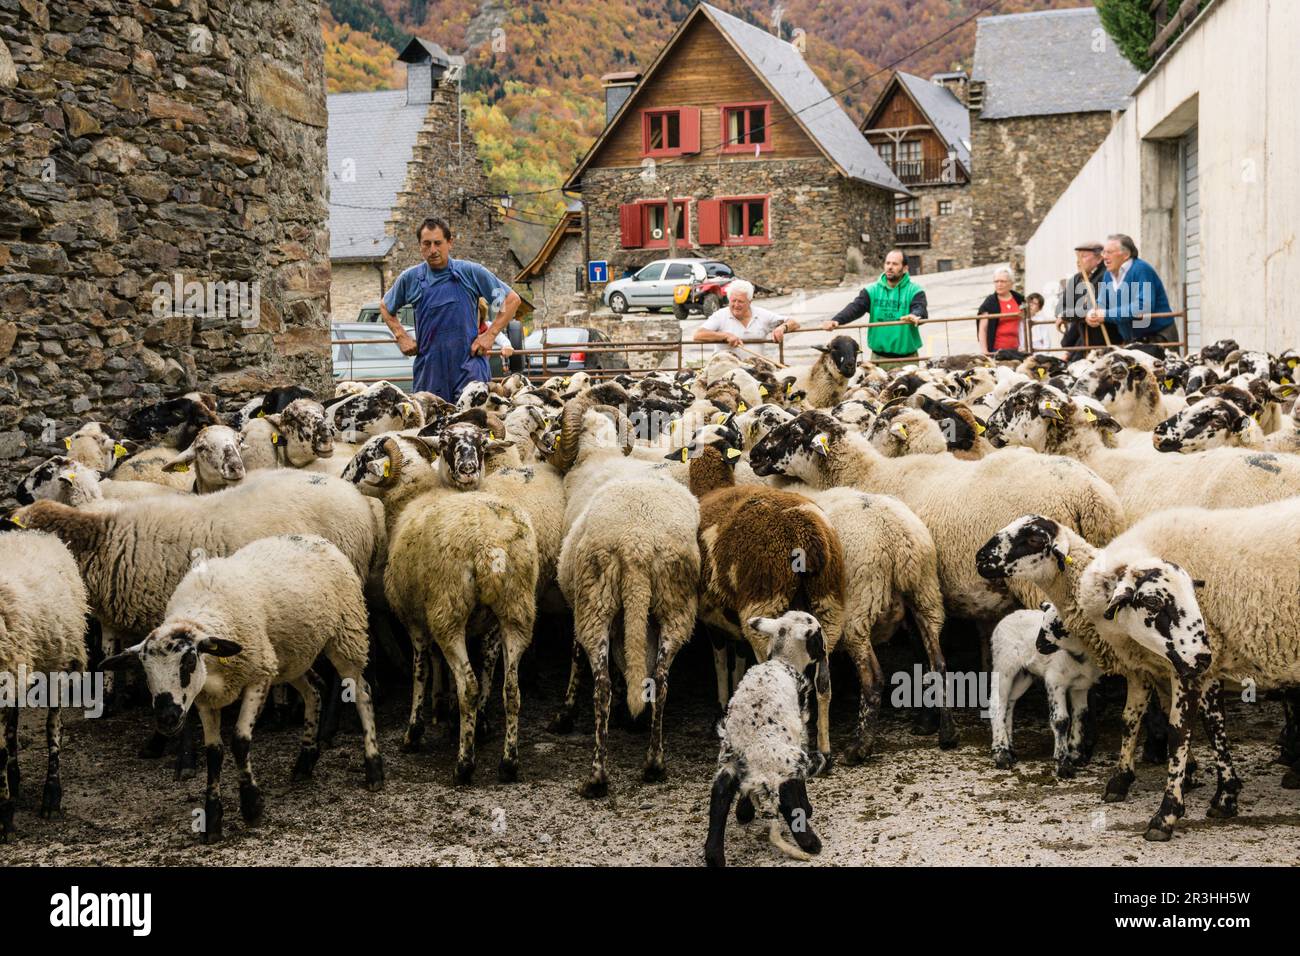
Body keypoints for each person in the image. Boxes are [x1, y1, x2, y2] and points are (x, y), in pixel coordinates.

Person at [380, 216, 522, 402]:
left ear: (450, 243)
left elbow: (511, 301)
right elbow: (385, 306)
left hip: (469, 369)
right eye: (427, 244)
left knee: (473, 426)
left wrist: (490, 335)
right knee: (430, 427)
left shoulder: (471, 273)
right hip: (429, 372)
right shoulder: (411, 279)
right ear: (419, 246)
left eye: (438, 243)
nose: (433, 250)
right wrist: (401, 336)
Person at [821, 249, 925, 361]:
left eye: (895, 264)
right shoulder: (871, 291)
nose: (890, 267)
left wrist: (915, 315)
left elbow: (920, 308)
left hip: (908, 359)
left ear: (905, 268)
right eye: (887, 263)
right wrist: (836, 320)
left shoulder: (914, 290)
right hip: (877, 358)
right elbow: (855, 307)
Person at [1087, 234, 1176, 344]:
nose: (1104, 257)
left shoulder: (1141, 269)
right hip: (1133, 339)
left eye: (1109, 252)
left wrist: (1106, 315)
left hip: (1157, 336)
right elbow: (1102, 303)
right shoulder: (1108, 275)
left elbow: (1143, 306)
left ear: (1126, 254)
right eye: (1104, 252)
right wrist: (1093, 313)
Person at [692, 279, 800, 355]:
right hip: (726, 371)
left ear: (750, 302)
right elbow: (698, 335)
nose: (736, 305)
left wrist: (782, 328)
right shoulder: (721, 315)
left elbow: (794, 323)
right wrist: (725, 335)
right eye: (733, 301)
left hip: (756, 370)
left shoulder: (762, 315)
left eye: (741, 301)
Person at [1055, 241, 1110, 349]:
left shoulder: (1106, 276)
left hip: (1105, 339)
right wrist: (1071, 314)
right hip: (1083, 339)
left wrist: (1068, 315)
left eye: (1083, 257)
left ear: (1099, 259)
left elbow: (1094, 309)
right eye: (1077, 257)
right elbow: (1060, 308)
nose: (1078, 261)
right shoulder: (1076, 279)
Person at [976, 267, 1025, 354]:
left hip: (1018, 349)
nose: (999, 284)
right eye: (996, 281)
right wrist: (985, 351)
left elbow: (1026, 321)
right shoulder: (990, 302)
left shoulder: (1019, 299)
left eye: (1003, 281)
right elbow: (982, 329)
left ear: (1011, 283)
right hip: (997, 351)